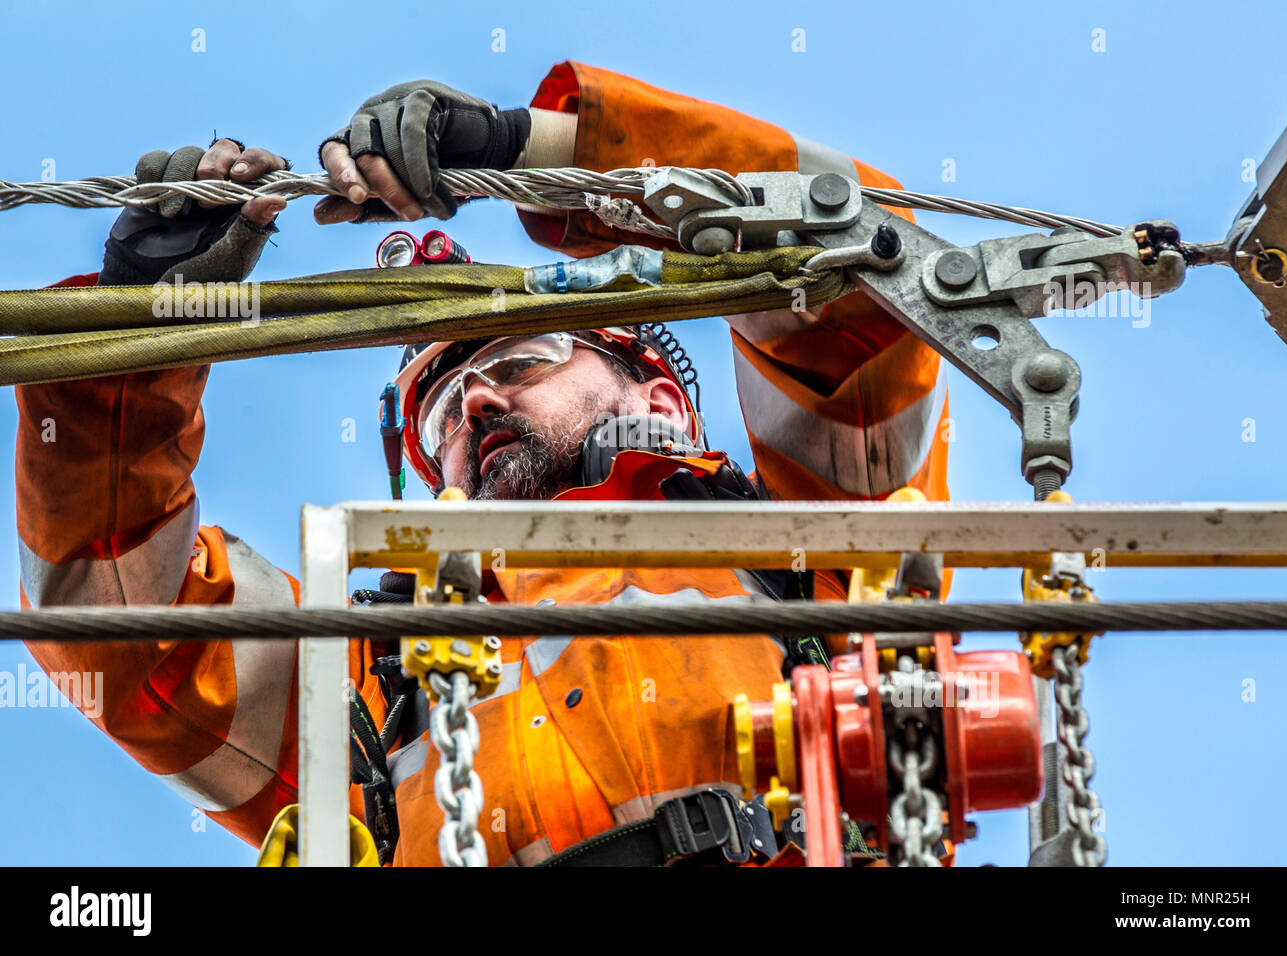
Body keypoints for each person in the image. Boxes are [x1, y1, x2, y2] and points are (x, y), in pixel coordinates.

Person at [15, 61, 948, 866]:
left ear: (659, 400)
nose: (479, 403)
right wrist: (141, 333)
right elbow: (116, 620)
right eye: (443, 412)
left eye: (516, 363)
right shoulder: (380, 686)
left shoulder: (814, 554)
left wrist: (543, 156)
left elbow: (858, 266)